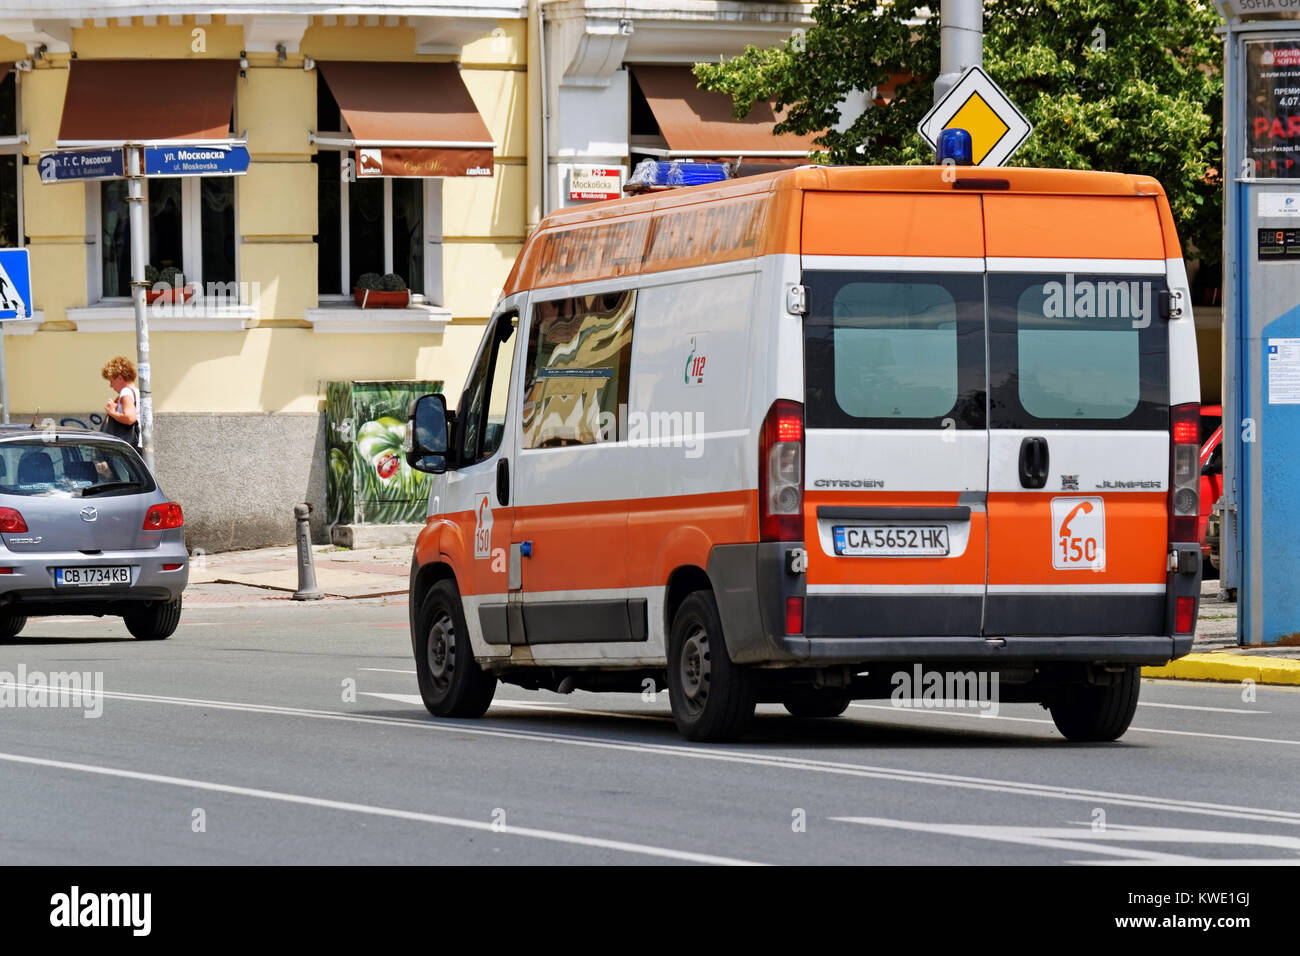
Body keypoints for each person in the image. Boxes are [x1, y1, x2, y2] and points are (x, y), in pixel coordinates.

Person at [100, 356, 141, 449]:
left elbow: (130, 418)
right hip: (139, 442)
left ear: (120, 378)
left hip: (129, 444)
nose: (111, 386)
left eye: (111, 381)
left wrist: (112, 412)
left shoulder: (125, 392)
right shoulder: (137, 391)